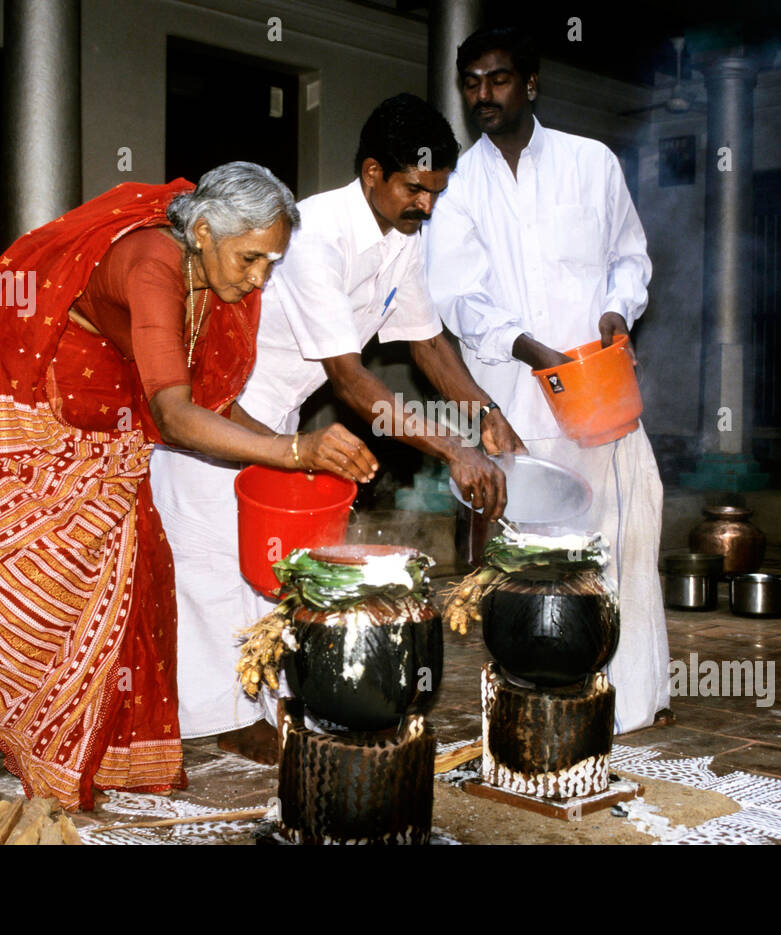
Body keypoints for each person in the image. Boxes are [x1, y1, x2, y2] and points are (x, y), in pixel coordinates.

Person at [0, 163, 376, 810]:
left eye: (270, 263)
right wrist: (296, 447)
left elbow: (214, 403)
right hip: (49, 410)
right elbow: (173, 414)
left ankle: (96, 749)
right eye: (250, 258)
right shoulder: (153, 264)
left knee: (130, 578)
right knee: (55, 584)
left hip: (111, 416)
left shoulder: (218, 276)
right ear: (201, 230)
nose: (258, 278)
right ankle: (43, 735)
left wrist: (299, 462)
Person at [151, 94, 524, 758]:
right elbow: (351, 381)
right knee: (211, 569)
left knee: (267, 571)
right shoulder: (316, 235)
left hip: (276, 420)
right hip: (218, 416)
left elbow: (429, 346)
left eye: (436, 191)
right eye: (415, 188)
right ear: (373, 172)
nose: (427, 205)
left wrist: (485, 413)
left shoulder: (403, 238)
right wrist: (452, 451)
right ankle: (223, 721)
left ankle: (262, 706)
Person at [424, 27, 673, 733]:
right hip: (513, 403)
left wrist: (616, 312)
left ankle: (630, 698)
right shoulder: (458, 185)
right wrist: (531, 350)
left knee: (622, 532)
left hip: (600, 392)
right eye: (471, 82)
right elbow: (457, 297)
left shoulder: (591, 164)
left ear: (530, 84)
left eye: (498, 79)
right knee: (530, 557)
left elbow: (630, 257)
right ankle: (537, 695)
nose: (483, 96)